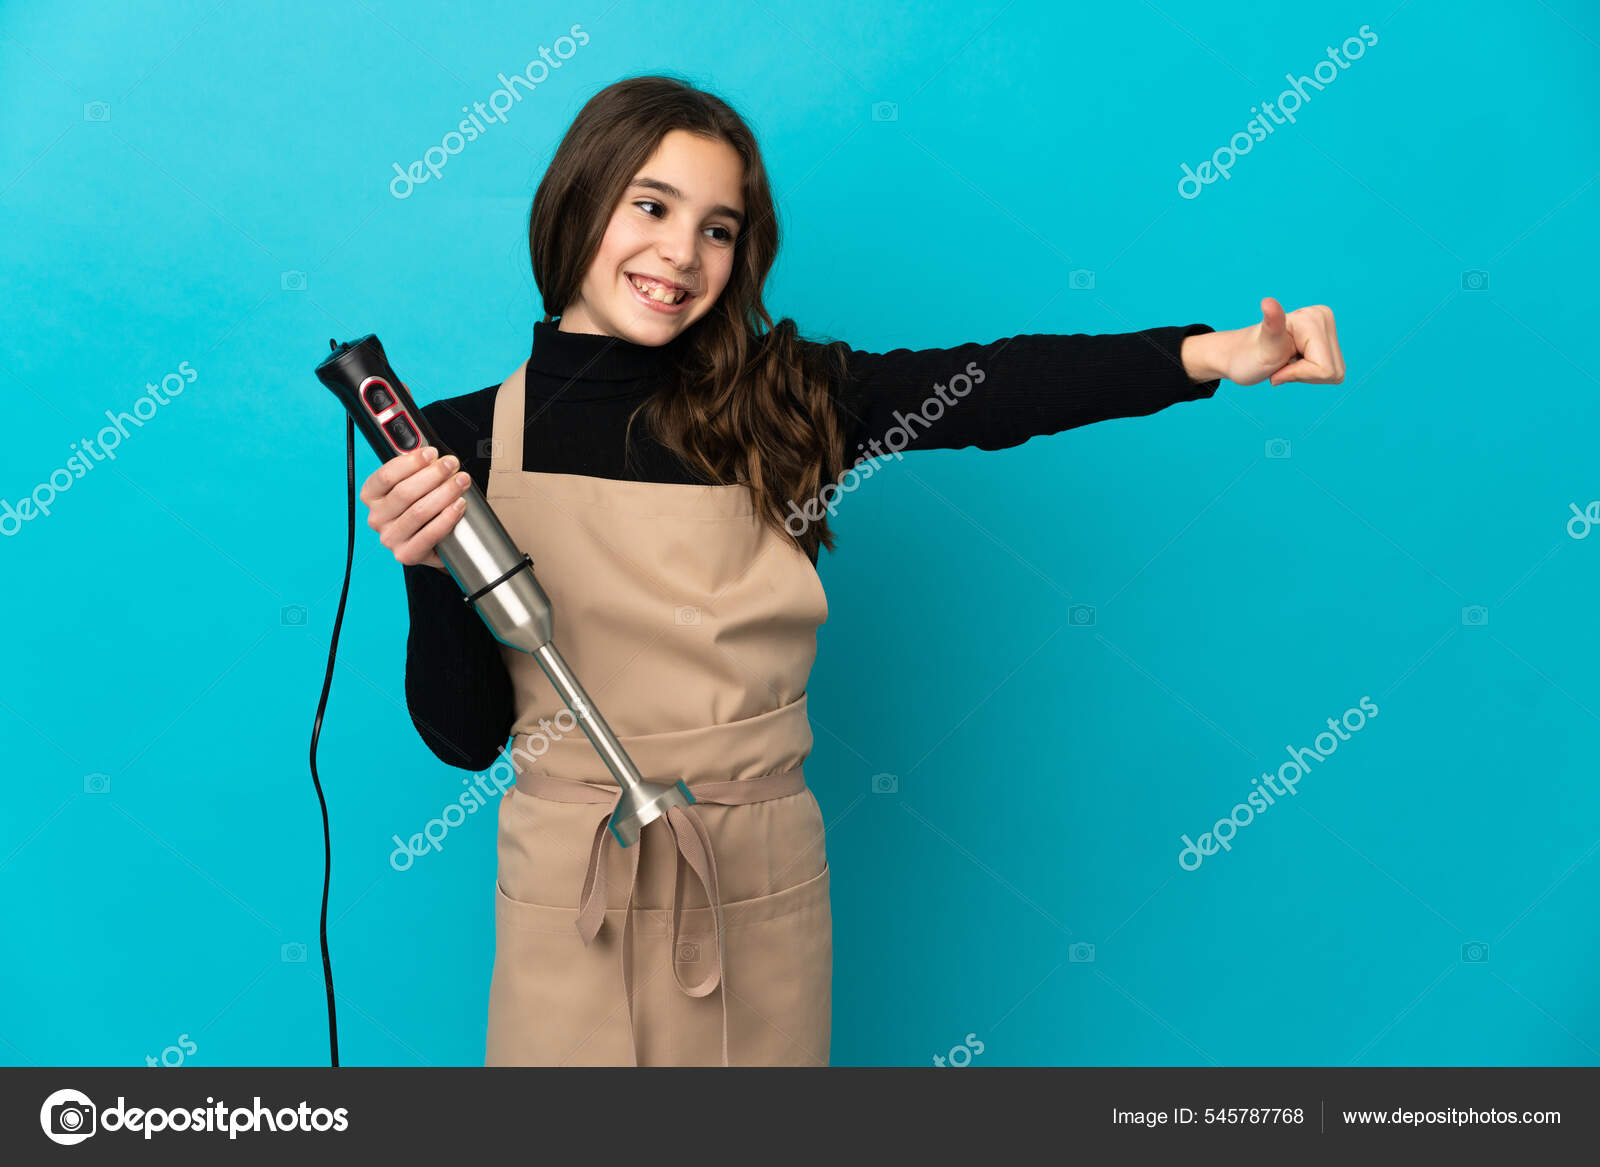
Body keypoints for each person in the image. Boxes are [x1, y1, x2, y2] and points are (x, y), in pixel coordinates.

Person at [358, 74, 1345, 1067]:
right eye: (650, 206)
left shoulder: (783, 403)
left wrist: (1207, 355)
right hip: (571, 889)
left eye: (718, 228)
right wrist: (425, 562)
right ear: (577, 204)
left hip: (756, 880)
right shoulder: (455, 440)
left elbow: (992, 388)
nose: (679, 254)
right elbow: (465, 738)